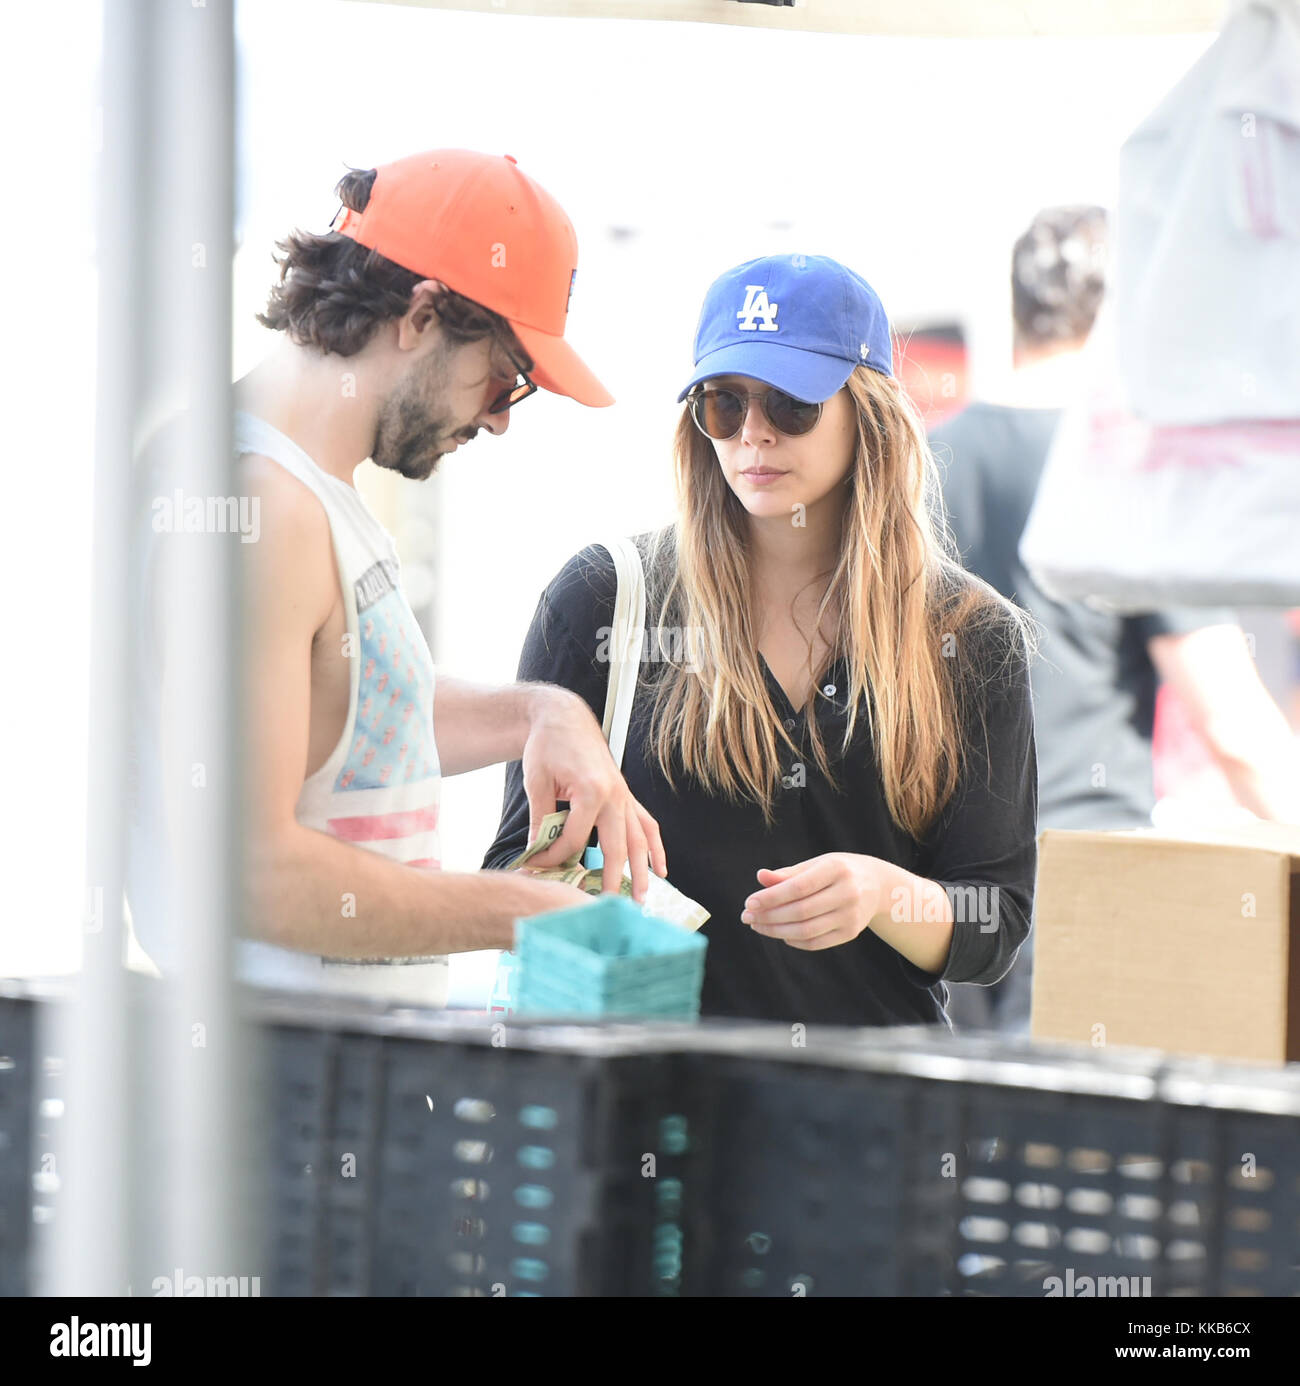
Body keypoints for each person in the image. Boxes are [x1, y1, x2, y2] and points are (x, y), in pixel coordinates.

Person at [128, 150, 666, 1005]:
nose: (497, 420)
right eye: (504, 376)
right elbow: (249, 871)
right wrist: (520, 914)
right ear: (420, 315)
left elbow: (353, 723)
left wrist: (540, 710)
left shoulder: (308, 487)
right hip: (278, 1091)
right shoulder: (255, 504)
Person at [483, 254, 1039, 1027]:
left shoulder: (969, 636)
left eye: (791, 405)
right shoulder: (605, 599)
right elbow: (510, 870)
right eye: (723, 405)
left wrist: (880, 894)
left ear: (867, 413)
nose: (753, 435)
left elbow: (996, 923)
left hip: (869, 1109)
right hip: (646, 1101)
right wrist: (592, 879)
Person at [933, 204, 1300, 1034]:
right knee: (1066, 1146)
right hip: (1080, 888)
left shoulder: (924, 463)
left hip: (937, 892)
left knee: (963, 1140)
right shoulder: (1128, 475)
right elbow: (1234, 726)